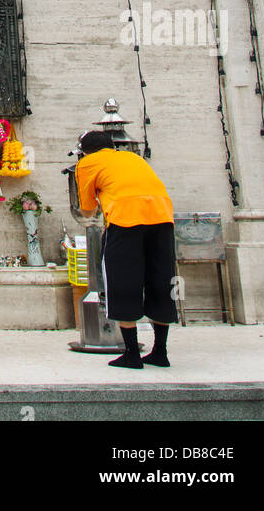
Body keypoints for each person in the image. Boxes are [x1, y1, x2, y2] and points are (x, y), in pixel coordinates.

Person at [75, 131, 176, 370]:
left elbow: (87, 209)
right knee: (160, 281)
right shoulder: (133, 158)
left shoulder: (86, 163)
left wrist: (96, 208)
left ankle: (131, 353)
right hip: (162, 217)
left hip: (125, 220)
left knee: (123, 283)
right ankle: (160, 352)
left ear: (86, 151)